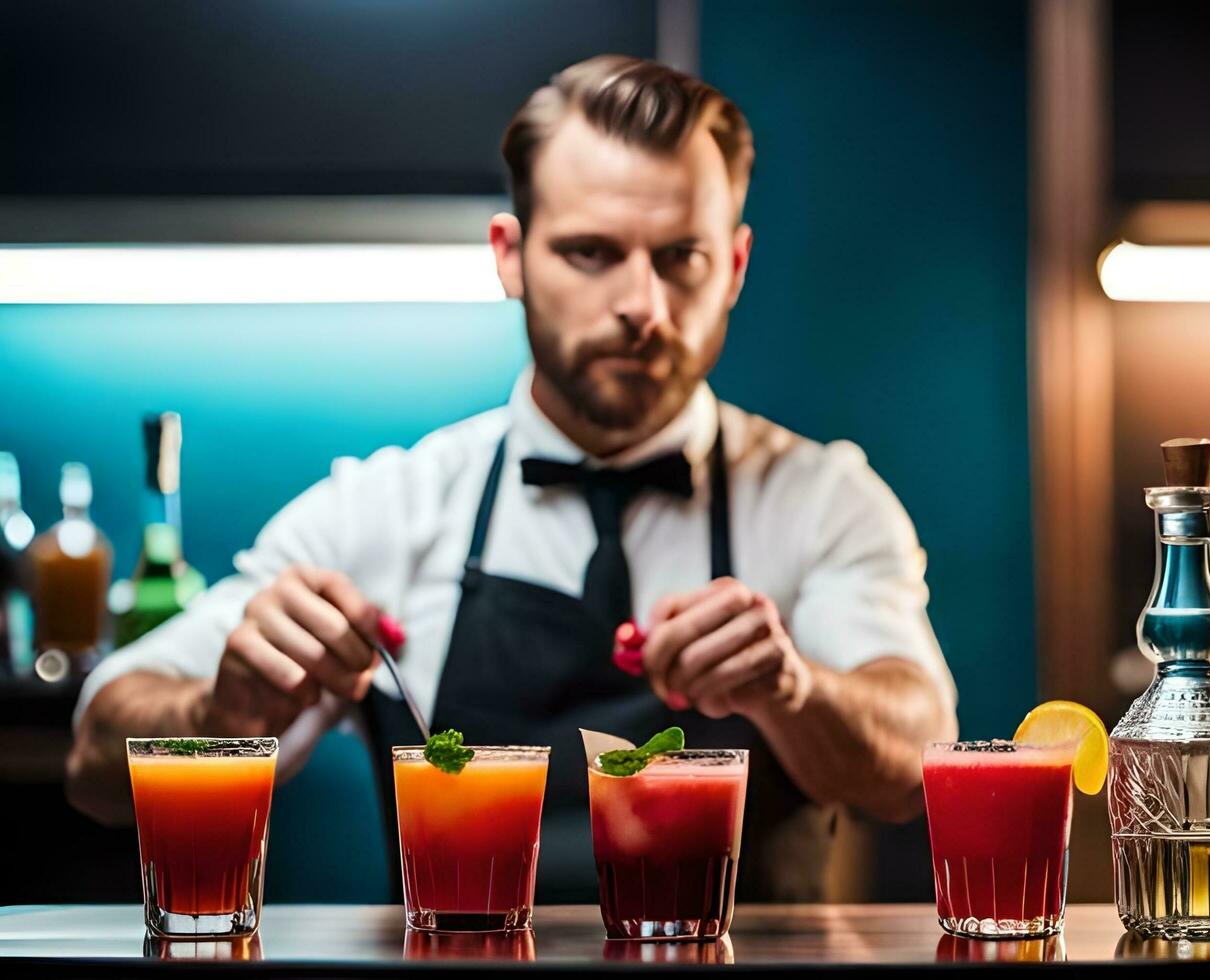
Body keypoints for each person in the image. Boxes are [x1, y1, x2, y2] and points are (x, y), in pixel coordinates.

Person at [66, 55, 958, 902]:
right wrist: (223, 708)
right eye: (591, 252)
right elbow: (98, 757)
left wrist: (794, 689)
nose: (641, 307)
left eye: (680, 257)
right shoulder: (389, 507)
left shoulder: (822, 499)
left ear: (732, 267)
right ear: (509, 255)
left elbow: (918, 763)